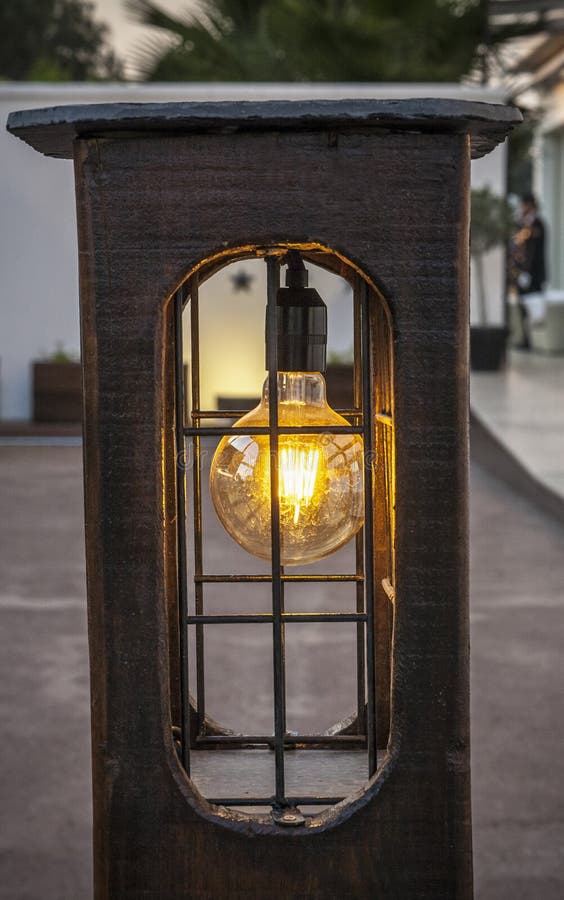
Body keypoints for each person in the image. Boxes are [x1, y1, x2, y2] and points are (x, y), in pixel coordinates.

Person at [509, 193, 547, 349]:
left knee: (534, 307)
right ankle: (526, 339)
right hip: (521, 273)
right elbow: (517, 246)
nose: (522, 208)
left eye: (524, 205)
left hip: (533, 274)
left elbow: (534, 252)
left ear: (530, 205)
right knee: (522, 306)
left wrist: (527, 271)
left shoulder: (538, 224)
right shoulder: (521, 224)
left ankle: (534, 340)